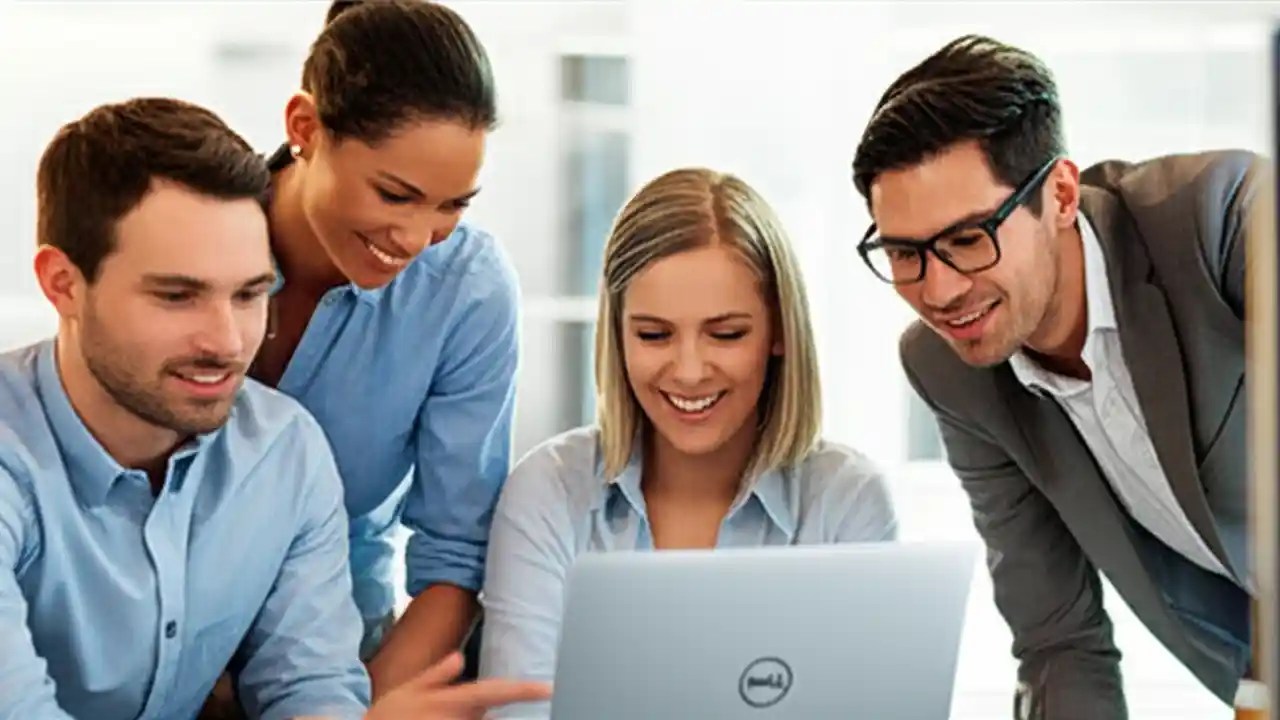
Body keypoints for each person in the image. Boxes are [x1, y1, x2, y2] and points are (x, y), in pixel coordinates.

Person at [0, 97, 549, 720]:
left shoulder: (284, 451)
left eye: (249, 294)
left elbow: (311, 691)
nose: (227, 342)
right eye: (178, 296)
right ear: (62, 284)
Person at [851, 34, 1265, 717]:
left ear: (1063, 194)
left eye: (967, 239)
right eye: (904, 253)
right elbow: (1058, 638)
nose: (940, 290)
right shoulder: (947, 370)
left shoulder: (1222, 218)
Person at [477, 167, 899, 717]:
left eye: (726, 334)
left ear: (778, 332)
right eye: (653, 335)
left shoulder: (847, 501)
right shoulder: (548, 494)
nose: (690, 371)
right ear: (617, 335)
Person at [249, 0, 520, 696]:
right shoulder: (197, 232)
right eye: (395, 194)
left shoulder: (467, 290)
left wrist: (369, 711)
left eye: (453, 204)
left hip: (349, 658)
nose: (419, 236)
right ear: (304, 127)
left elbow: (456, 555)